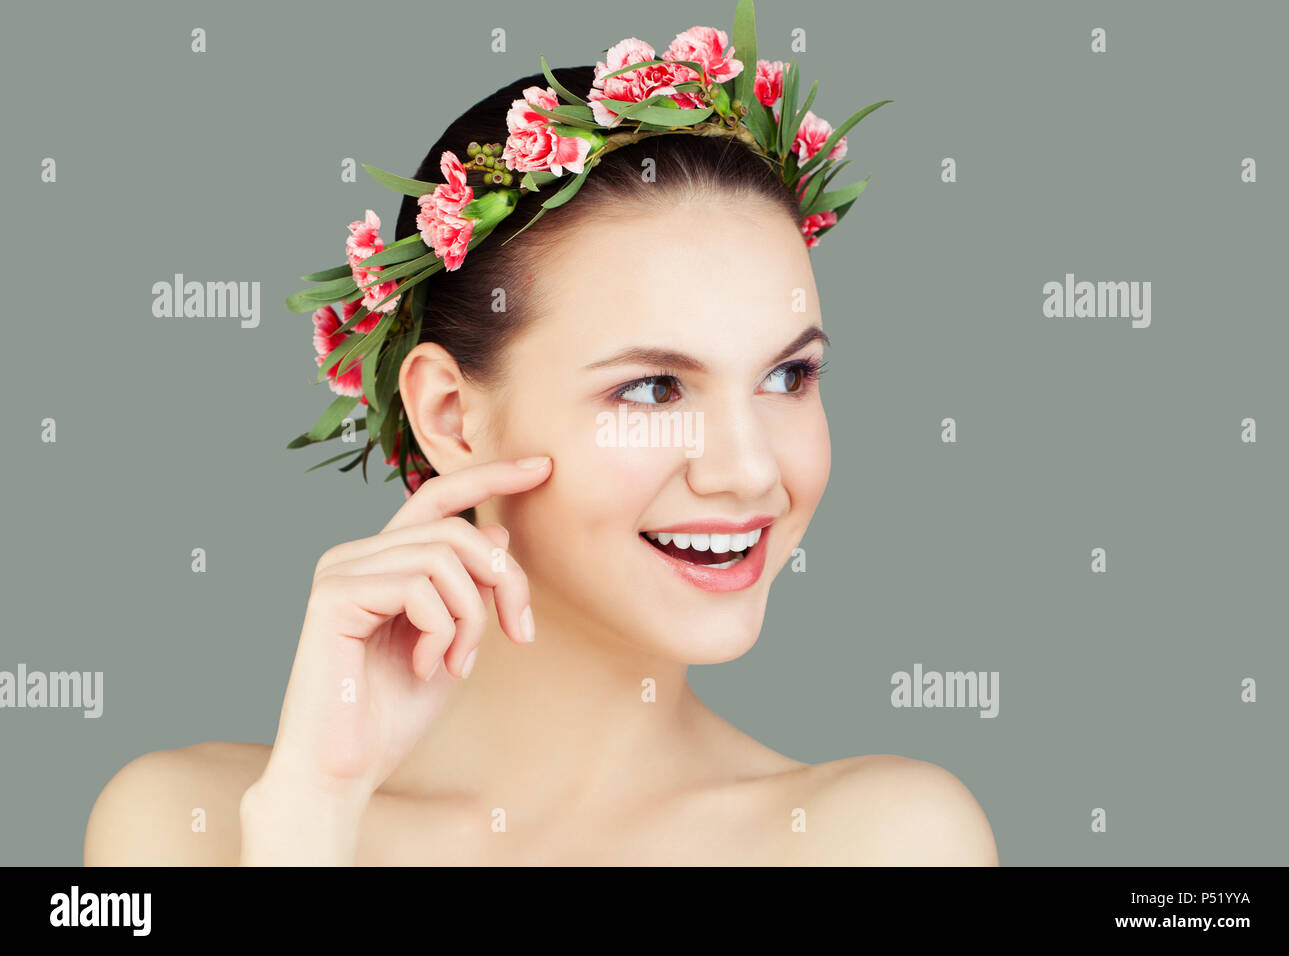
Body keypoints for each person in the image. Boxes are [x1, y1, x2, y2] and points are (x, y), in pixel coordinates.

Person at [84, 52, 997, 866]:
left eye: (789, 375)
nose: (751, 471)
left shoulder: (885, 841)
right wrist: (312, 817)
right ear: (451, 415)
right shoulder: (184, 829)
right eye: (652, 390)